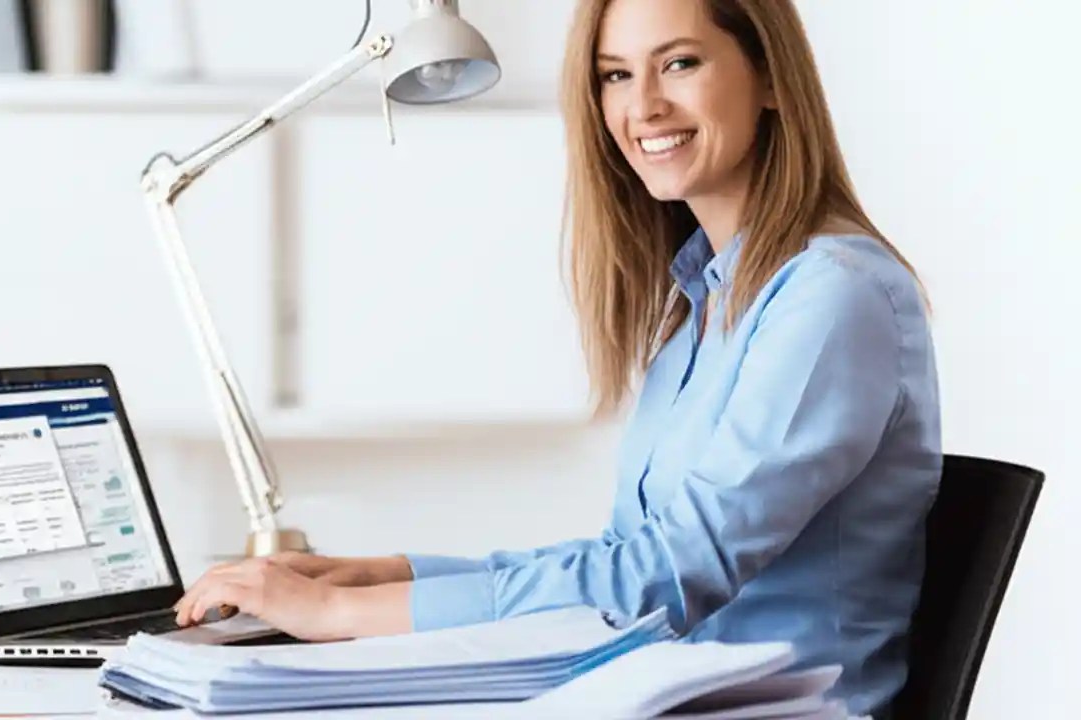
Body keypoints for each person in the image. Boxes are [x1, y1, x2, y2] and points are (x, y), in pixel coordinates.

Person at [173, 0, 941, 715]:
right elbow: (622, 558)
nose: (643, 107)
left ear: (771, 76)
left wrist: (341, 614)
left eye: (680, 64)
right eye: (615, 75)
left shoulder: (833, 294)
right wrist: (389, 576)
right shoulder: (710, 300)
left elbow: (667, 577)